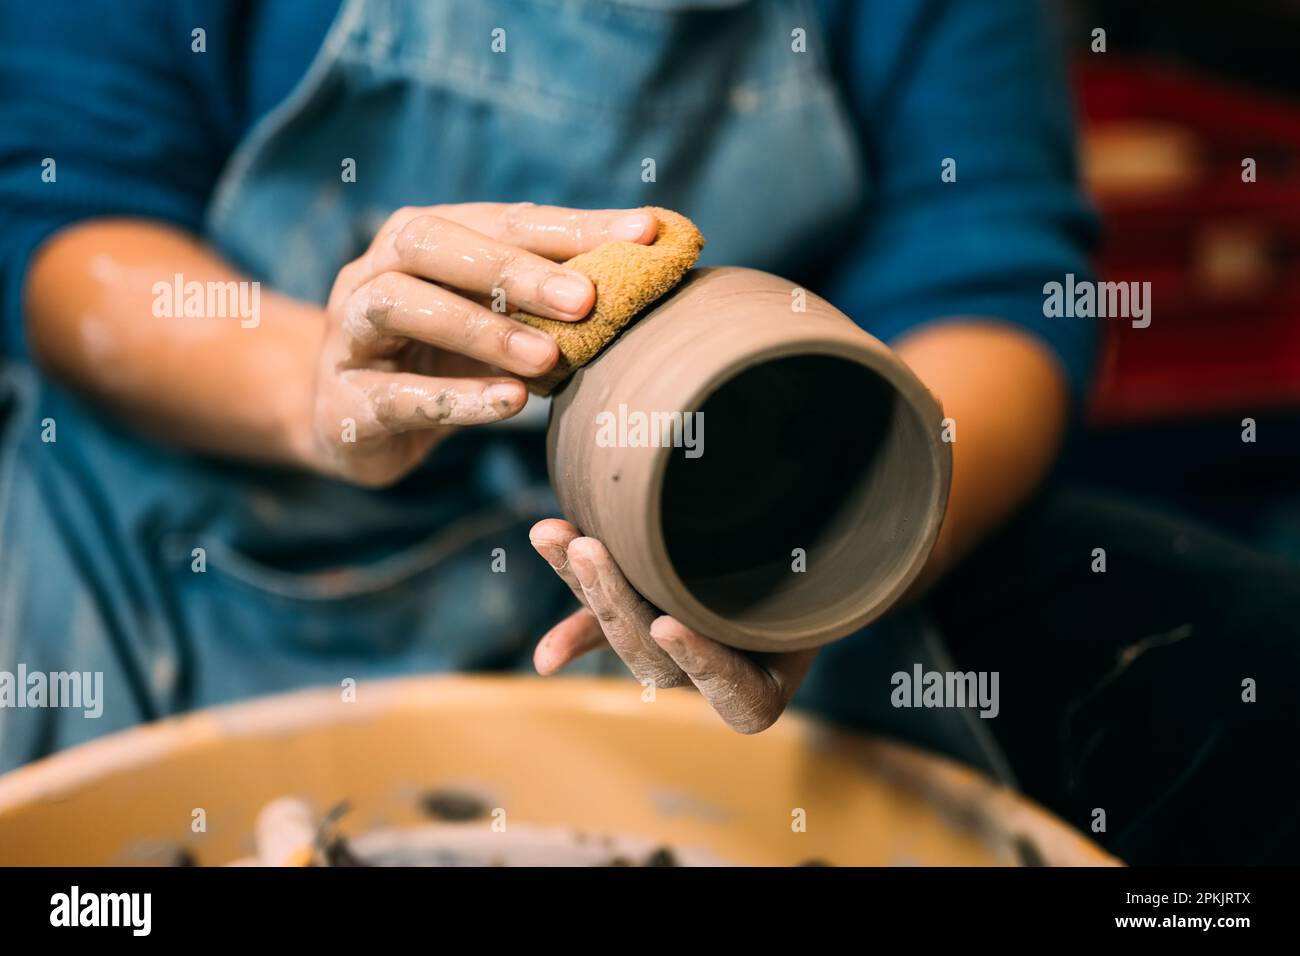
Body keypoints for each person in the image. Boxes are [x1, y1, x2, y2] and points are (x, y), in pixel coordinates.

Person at [1, 1, 1293, 865]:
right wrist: (319, 391)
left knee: (1235, 655)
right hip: (239, 527)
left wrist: (843, 560)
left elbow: (994, 273)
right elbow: (66, 212)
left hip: (720, 531)